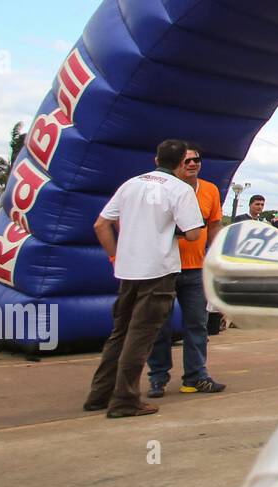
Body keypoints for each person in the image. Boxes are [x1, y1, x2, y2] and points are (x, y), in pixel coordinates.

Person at [84, 139, 204, 418]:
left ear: (155, 159)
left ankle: (99, 394)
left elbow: (101, 225)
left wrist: (115, 256)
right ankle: (124, 399)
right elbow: (195, 233)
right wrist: (172, 232)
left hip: (128, 270)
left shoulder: (130, 184)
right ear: (179, 164)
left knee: (120, 333)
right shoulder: (180, 189)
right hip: (158, 271)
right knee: (141, 336)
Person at [146, 142, 226, 397]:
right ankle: (157, 377)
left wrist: (214, 254)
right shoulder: (163, 189)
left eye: (197, 160)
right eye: (187, 160)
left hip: (195, 269)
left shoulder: (210, 190)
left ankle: (195, 377)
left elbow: (213, 225)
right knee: (160, 326)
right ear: (177, 162)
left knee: (197, 325)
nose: (192, 164)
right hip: (165, 269)